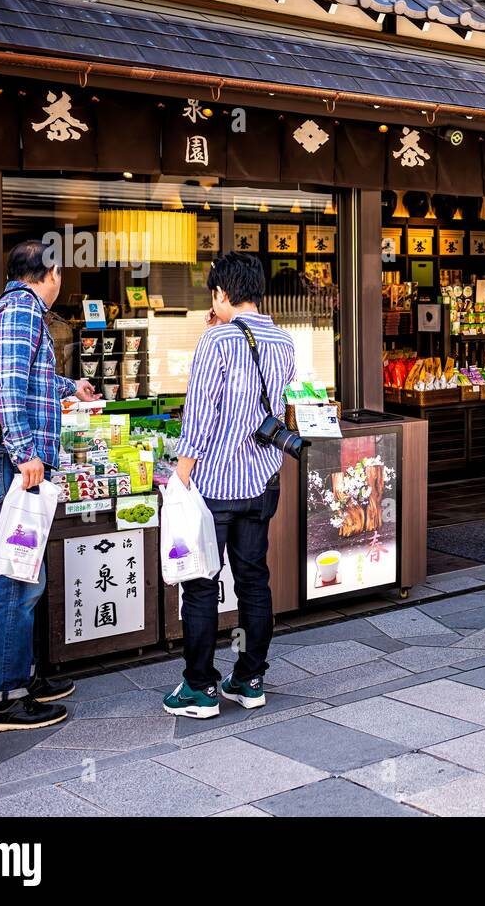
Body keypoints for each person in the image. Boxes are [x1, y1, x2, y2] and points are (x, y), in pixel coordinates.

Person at [0, 241, 100, 734]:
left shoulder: (12, 309)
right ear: (50, 272)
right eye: (60, 269)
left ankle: (21, 679)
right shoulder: (22, 311)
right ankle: (2, 700)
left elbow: (28, 378)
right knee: (14, 581)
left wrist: (70, 387)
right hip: (5, 464)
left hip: (4, 464)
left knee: (20, 575)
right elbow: (8, 386)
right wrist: (24, 453)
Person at [164, 252, 296, 719]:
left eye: (213, 294)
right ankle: (250, 679)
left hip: (214, 486)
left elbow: (198, 417)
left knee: (201, 585)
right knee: (254, 579)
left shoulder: (215, 341)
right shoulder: (284, 341)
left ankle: (199, 688)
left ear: (221, 293)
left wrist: (180, 477)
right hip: (261, 480)